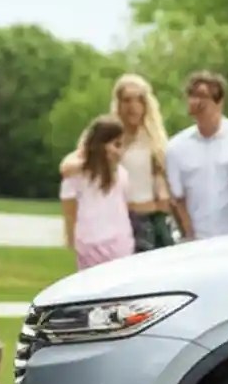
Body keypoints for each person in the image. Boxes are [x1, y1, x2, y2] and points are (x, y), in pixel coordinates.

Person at [59, 74, 177, 252]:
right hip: (109, 221)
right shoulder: (104, 135)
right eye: (127, 100)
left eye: (139, 100)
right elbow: (67, 167)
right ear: (118, 103)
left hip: (147, 220)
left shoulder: (154, 140)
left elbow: (163, 195)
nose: (133, 107)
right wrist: (99, 159)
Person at [165, 70, 228, 241]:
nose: (196, 102)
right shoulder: (175, 147)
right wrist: (190, 236)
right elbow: (177, 199)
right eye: (191, 96)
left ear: (219, 102)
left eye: (202, 96)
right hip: (198, 241)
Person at [59, 115, 135, 270]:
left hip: (119, 244)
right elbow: (69, 211)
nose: (120, 151)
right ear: (101, 145)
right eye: (116, 145)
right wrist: (71, 239)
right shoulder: (76, 176)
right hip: (89, 245)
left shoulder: (121, 174)